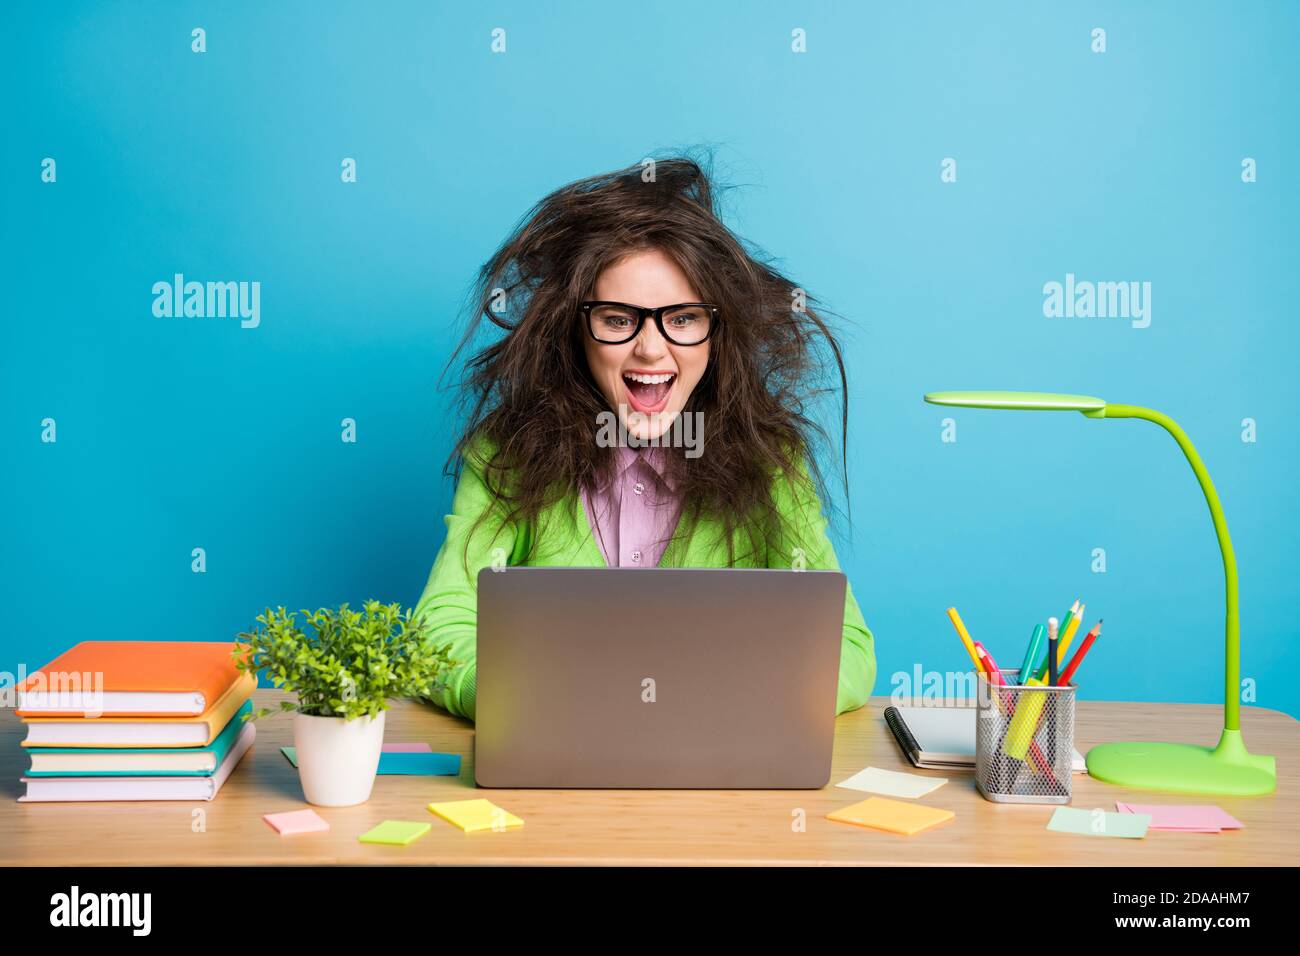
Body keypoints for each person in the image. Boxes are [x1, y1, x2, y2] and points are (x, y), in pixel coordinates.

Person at [414, 156, 875, 721]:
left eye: (682, 319)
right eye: (617, 319)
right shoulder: (508, 451)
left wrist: (737, 703)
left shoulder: (770, 460)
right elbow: (441, 624)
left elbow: (848, 647)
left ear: (717, 332)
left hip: (714, 755)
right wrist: (514, 699)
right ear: (575, 331)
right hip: (559, 748)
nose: (651, 349)